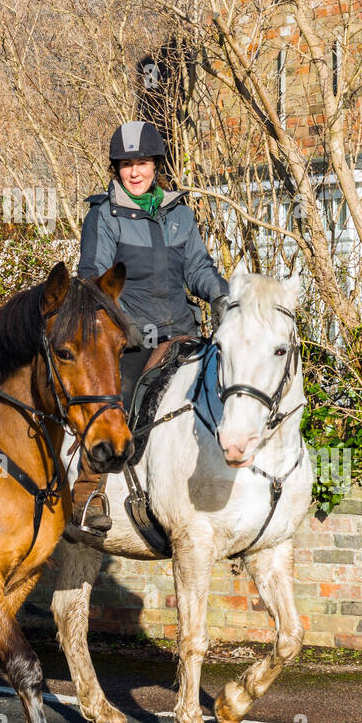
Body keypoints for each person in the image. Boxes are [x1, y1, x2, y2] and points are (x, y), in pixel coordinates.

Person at [69, 120, 229, 540]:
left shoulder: (179, 213)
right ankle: (89, 494)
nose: (134, 172)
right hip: (131, 340)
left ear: (156, 164)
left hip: (183, 332)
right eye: (125, 164)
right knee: (108, 402)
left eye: (141, 163)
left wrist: (223, 297)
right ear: (116, 168)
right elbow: (95, 283)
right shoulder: (104, 216)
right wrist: (124, 329)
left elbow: (197, 267)